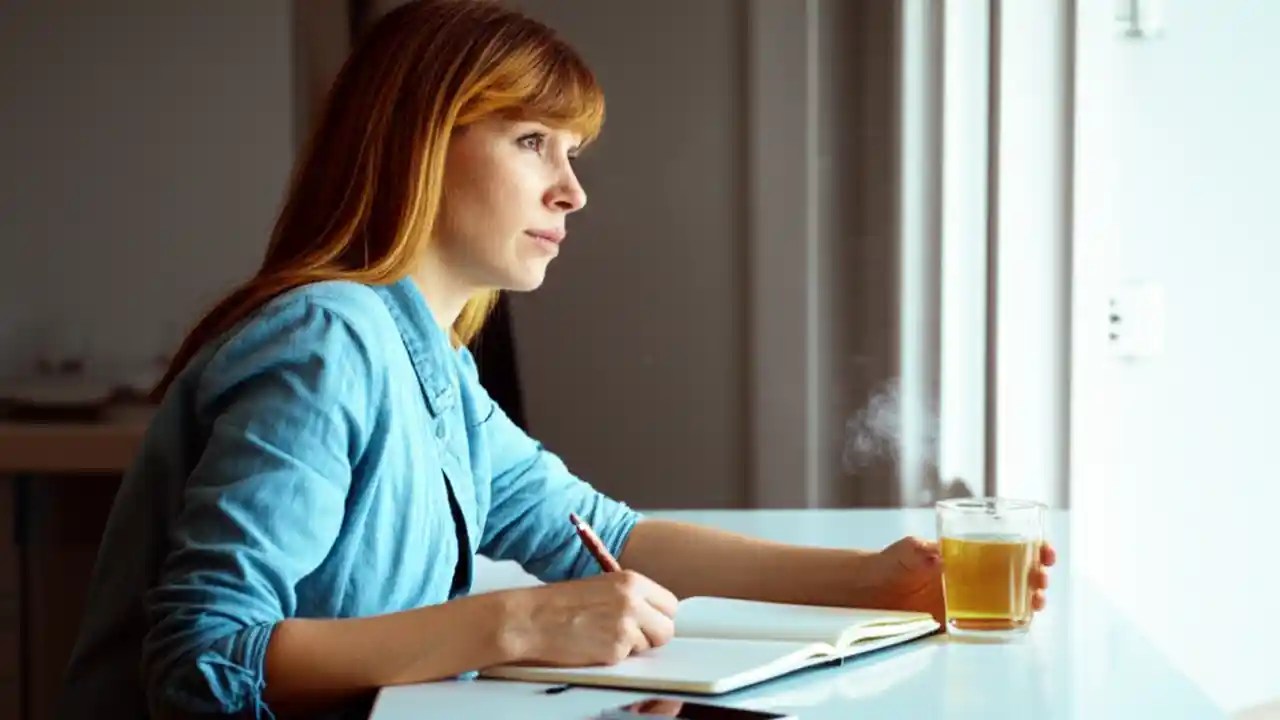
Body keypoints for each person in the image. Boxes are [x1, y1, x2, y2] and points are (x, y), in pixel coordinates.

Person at [58, 2, 1054, 718]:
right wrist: (515, 625)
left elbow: (605, 535)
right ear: (418, 144)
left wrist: (875, 581)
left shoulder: (430, 366)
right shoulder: (328, 342)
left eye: (572, 153)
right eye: (533, 140)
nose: (570, 191)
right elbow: (203, 661)